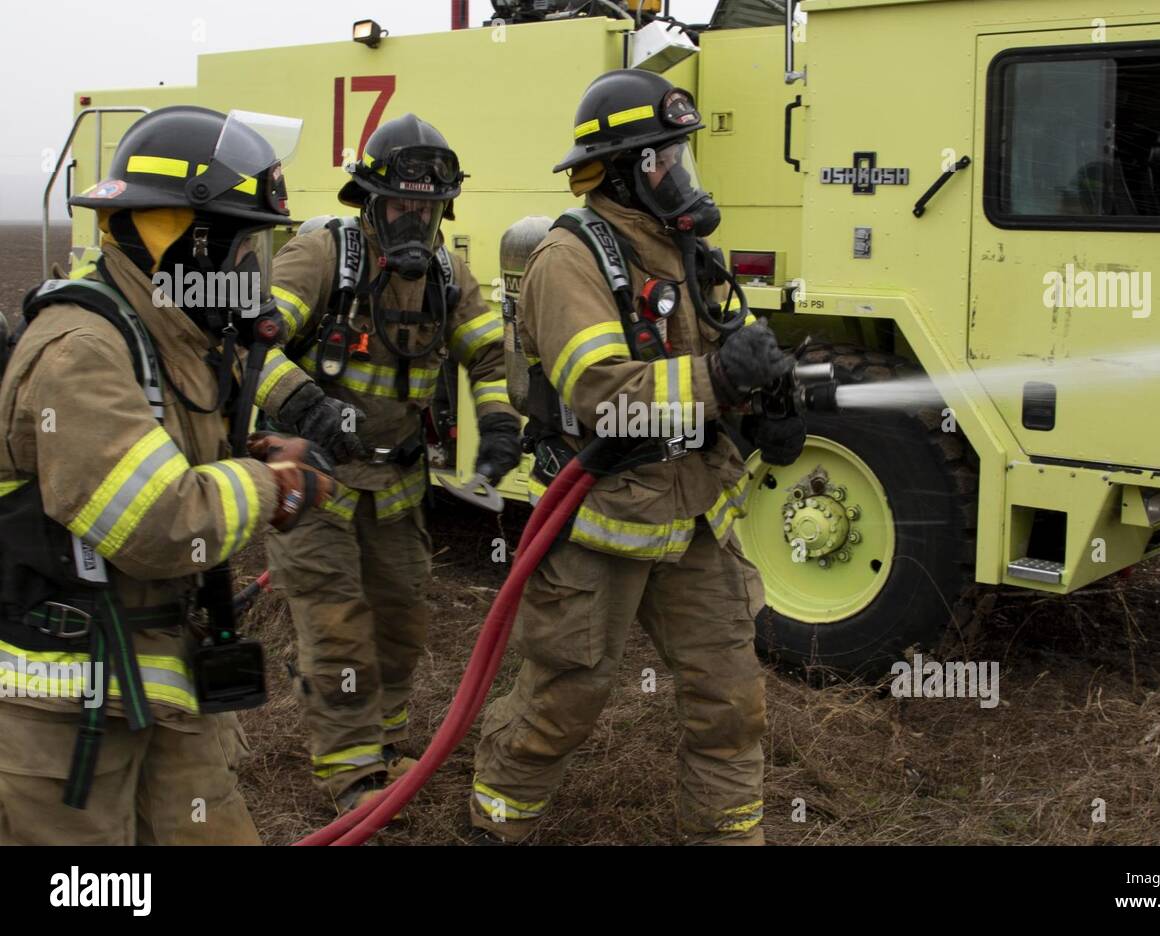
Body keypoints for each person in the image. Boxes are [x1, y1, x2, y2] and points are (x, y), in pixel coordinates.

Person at [469, 70, 806, 844]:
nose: (681, 174)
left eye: (681, 156)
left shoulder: (684, 251)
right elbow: (601, 394)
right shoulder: (569, 260)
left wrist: (767, 404)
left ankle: (729, 836)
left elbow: (721, 359)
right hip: (603, 520)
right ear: (627, 170)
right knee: (565, 698)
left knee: (732, 697)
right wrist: (719, 379)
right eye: (666, 159)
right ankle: (498, 822)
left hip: (691, 519)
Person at [0, 105, 334, 844]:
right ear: (188, 243)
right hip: (62, 708)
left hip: (155, 680)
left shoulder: (168, 335)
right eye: (242, 245)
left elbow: (179, 455)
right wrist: (271, 483)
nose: (250, 271)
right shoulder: (82, 346)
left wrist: (258, 447)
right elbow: (157, 524)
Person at [253, 114, 521, 811]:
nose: (414, 219)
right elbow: (247, 348)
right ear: (369, 200)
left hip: (398, 488)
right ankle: (352, 776)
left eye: (427, 208)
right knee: (338, 629)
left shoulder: (446, 274)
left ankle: (385, 745)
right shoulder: (318, 257)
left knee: (401, 631)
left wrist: (497, 423)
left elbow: (489, 356)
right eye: (402, 204)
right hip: (314, 486)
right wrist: (307, 403)